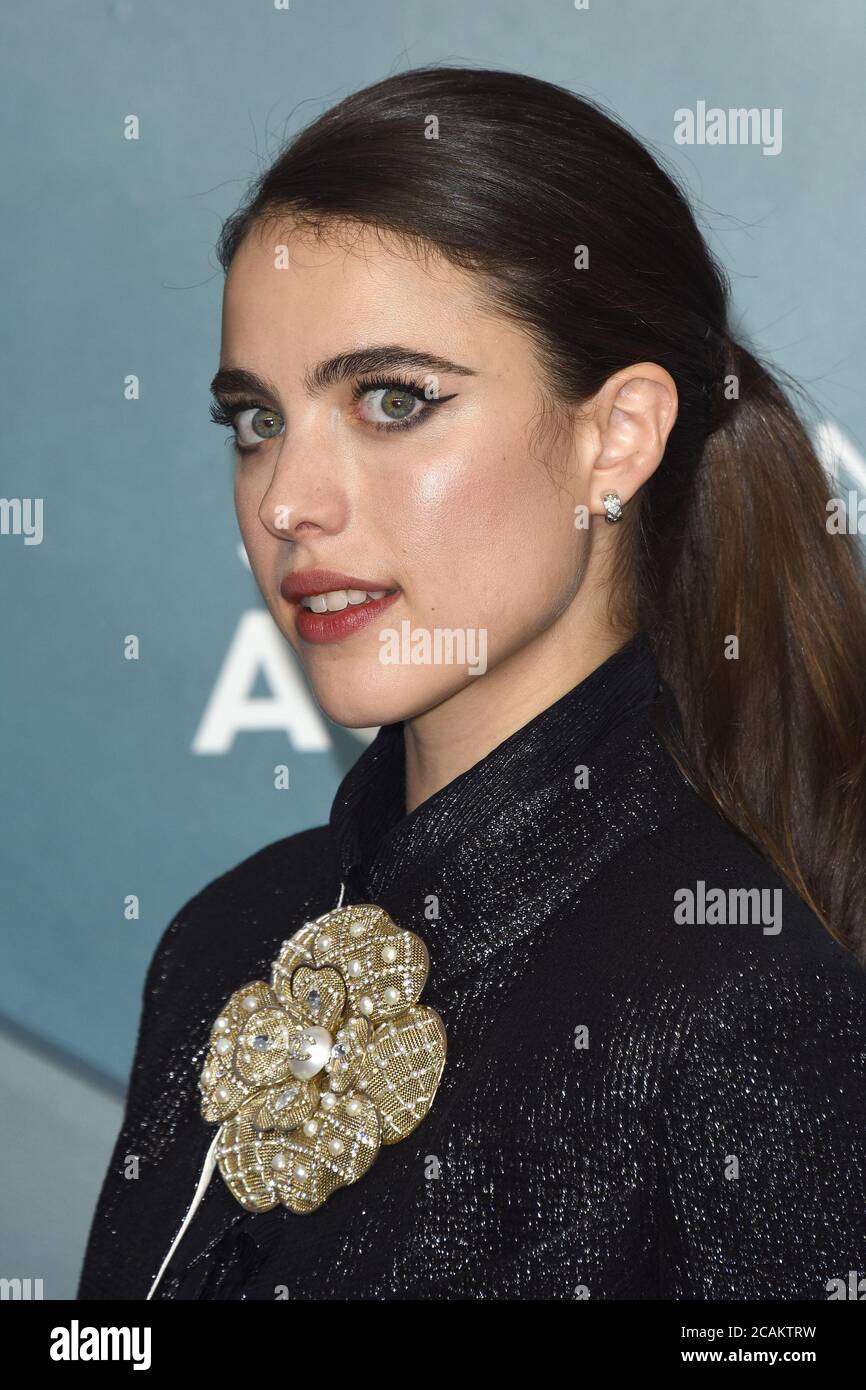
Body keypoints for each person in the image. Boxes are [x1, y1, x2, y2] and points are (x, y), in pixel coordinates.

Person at [77, 65, 866, 1301]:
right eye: (255, 420)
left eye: (394, 400)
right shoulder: (225, 936)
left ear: (615, 438)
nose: (286, 501)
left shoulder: (742, 1001)